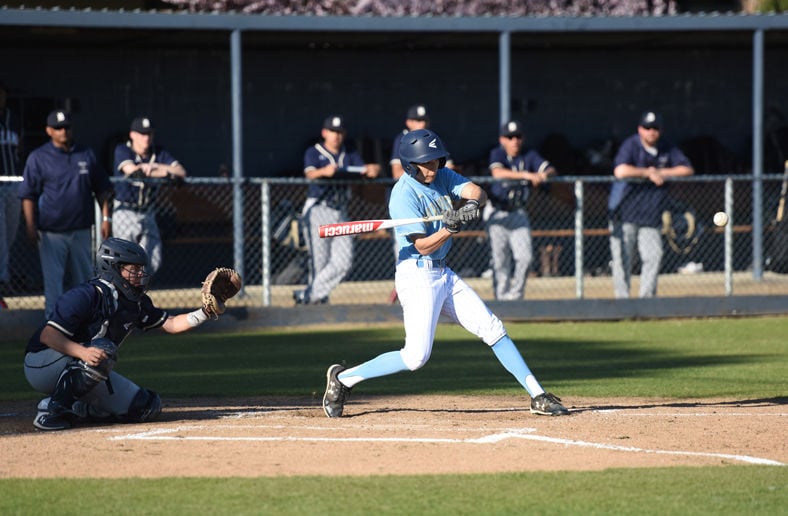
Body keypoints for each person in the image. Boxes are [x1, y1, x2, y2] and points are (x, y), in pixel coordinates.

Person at [321, 129, 569, 418]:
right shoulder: (403, 195)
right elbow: (423, 246)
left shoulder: (442, 175)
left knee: (493, 328)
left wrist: (470, 206)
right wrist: (450, 228)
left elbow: (478, 192)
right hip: (417, 275)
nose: (433, 167)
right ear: (410, 165)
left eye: (436, 160)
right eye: (426, 163)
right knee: (416, 357)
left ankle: (537, 395)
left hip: (444, 273)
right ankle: (344, 379)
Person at [24, 237, 223, 431]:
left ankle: (80, 407)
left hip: (84, 361)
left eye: (140, 269)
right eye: (133, 269)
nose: (140, 274)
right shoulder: (86, 295)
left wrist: (206, 311)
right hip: (42, 362)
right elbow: (48, 336)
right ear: (113, 268)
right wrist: (83, 352)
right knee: (104, 350)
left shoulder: (136, 303)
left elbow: (171, 324)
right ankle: (51, 410)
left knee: (145, 407)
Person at [18, 110, 113, 319]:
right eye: (58, 128)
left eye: (66, 127)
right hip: (51, 233)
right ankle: (53, 326)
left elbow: (102, 189)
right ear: (49, 130)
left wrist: (106, 218)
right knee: (54, 284)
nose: (63, 131)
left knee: (84, 281)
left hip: (81, 230)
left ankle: (87, 322)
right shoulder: (38, 157)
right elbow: (27, 195)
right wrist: (30, 226)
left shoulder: (85, 154)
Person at [294, 115, 380, 305]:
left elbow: (364, 170)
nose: (336, 135)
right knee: (319, 262)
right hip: (318, 209)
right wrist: (323, 172)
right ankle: (317, 300)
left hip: (341, 211)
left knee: (344, 261)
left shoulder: (349, 152)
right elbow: (309, 174)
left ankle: (309, 295)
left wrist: (372, 170)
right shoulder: (314, 151)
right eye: (333, 131)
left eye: (340, 132)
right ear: (324, 132)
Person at [608, 111, 694, 298]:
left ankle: (646, 300)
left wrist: (661, 173)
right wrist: (647, 173)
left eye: (655, 128)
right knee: (623, 259)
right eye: (647, 128)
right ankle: (622, 301)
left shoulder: (666, 148)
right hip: (624, 213)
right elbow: (620, 171)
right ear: (640, 129)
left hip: (651, 214)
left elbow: (687, 169)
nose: (651, 132)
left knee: (653, 256)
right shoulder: (631, 145)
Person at [386, 104, 454, 303]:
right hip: (410, 207)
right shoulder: (402, 140)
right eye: (417, 120)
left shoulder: (432, 140)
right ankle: (403, 287)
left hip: (432, 206)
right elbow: (397, 172)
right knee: (408, 251)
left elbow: (446, 170)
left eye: (423, 120)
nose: (421, 124)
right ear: (408, 122)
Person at [487, 120, 556, 300]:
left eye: (517, 136)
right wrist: (526, 175)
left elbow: (551, 170)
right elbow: (497, 173)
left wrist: (543, 175)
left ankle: (515, 298)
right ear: (502, 139)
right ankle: (501, 299)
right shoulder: (497, 153)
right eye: (510, 137)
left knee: (525, 258)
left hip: (518, 212)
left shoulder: (529, 154)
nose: (514, 141)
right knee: (500, 260)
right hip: (497, 212)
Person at [113, 116, 187, 274]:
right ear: (132, 135)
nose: (146, 138)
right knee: (126, 260)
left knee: (153, 260)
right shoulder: (123, 150)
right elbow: (132, 171)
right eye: (142, 134)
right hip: (126, 211)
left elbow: (181, 172)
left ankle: (138, 288)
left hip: (148, 212)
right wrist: (165, 173)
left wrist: (155, 166)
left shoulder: (158, 152)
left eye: (149, 134)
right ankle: (123, 289)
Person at [0, 84, 21, 302]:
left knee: (10, 232)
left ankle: (5, 275)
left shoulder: (12, 119)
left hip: (13, 181)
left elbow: (19, 147)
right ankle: (3, 279)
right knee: (1, 235)